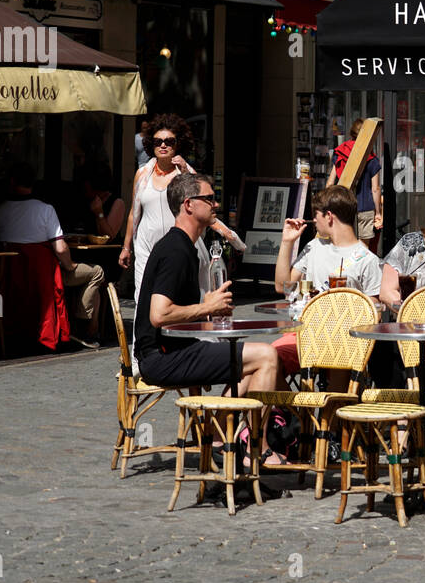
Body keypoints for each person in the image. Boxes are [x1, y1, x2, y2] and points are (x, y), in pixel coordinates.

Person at [134, 173, 283, 462]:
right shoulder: (176, 250)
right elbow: (159, 314)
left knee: (254, 363)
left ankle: (217, 438)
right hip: (162, 357)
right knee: (266, 356)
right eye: (209, 199)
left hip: (175, 349)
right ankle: (255, 449)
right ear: (189, 204)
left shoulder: (184, 246)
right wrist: (207, 307)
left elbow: (173, 307)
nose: (215, 204)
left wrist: (206, 305)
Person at [119, 114, 244, 301]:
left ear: (177, 144)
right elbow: (133, 213)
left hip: (178, 246)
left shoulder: (186, 173)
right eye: (158, 141)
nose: (163, 145)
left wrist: (185, 172)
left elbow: (202, 209)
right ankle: (144, 331)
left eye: (169, 141)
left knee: (178, 296)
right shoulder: (142, 174)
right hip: (146, 244)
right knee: (144, 297)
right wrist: (126, 247)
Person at [271, 186, 383, 379]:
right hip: (305, 334)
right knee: (267, 359)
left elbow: (375, 312)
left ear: (329, 216)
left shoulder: (367, 259)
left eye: (316, 215)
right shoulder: (314, 247)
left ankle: (330, 408)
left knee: (341, 363)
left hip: (345, 340)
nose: (314, 221)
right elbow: (283, 287)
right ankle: (284, 409)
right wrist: (287, 242)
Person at [0, 162, 106, 348]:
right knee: (97, 272)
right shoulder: (45, 210)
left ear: (12, 182)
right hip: (43, 279)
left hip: (8, 278)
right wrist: (70, 266)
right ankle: (84, 327)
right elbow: (61, 249)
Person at [326, 118, 383, 253]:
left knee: (343, 245)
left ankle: (345, 272)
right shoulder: (372, 159)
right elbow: (375, 189)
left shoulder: (341, 153)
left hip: (343, 206)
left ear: (352, 133)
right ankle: (358, 273)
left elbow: (330, 183)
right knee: (363, 248)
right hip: (365, 207)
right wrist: (378, 212)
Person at [83, 163, 126, 243]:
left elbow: (108, 237)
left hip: (106, 252)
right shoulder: (89, 200)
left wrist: (99, 213)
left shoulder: (117, 202)